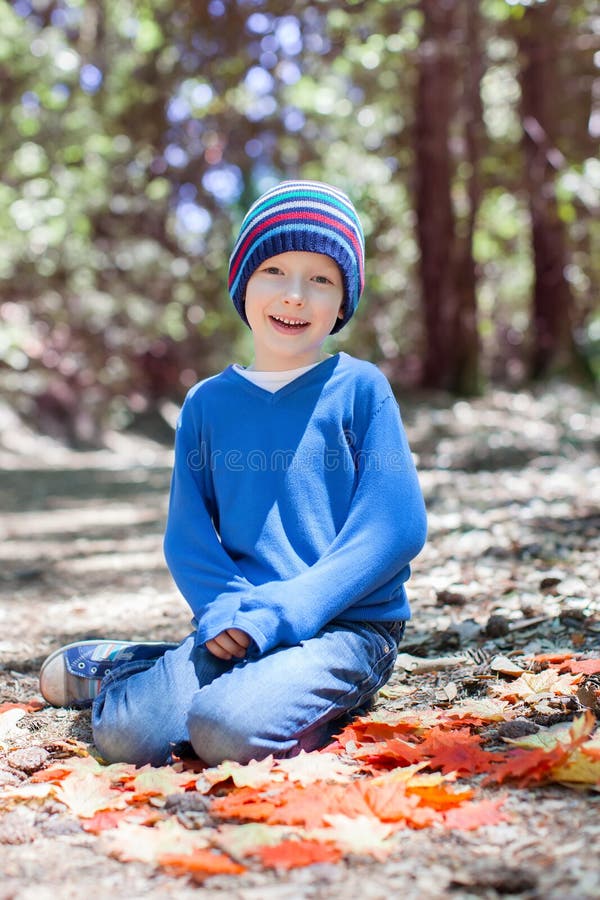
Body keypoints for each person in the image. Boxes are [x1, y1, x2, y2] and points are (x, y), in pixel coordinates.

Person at [39, 180, 427, 767]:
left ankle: (216, 685)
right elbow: (188, 534)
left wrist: (283, 612)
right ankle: (135, 668)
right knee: (127, 738)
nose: (295, 295)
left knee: (224, 731)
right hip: (239, 621)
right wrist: (224, 611)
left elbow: (394, 528)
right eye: (274, 270)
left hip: (347, 627)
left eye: (321, 279)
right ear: (244, 285)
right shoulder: (206, 406)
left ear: (343, 302)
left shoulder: (360, 389)